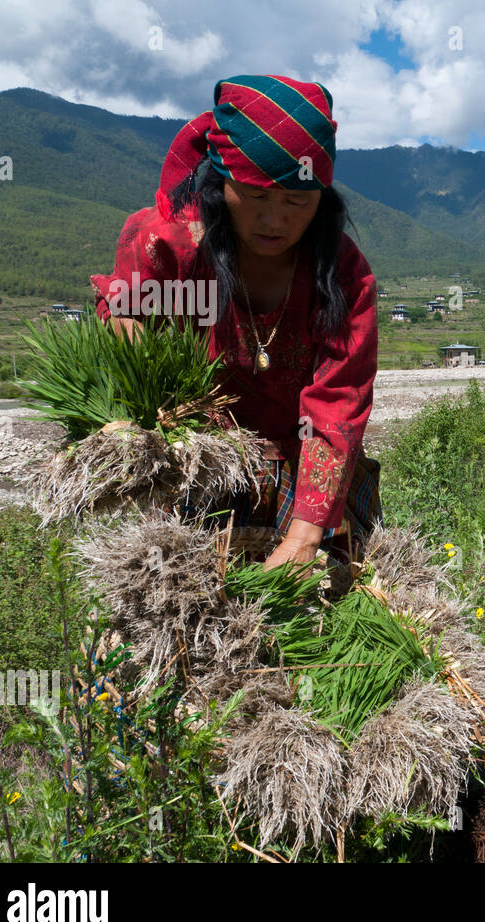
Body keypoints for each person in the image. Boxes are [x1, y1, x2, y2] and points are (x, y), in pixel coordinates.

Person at [90, 74, 380, 568]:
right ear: (219, 183)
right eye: (256, 196)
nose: (275, 220)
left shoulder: (343, 275)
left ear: (322, 200)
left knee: (327, 612)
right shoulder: (169, 246)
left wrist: (304, 540)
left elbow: (337, 404)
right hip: (200, 467)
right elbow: (120, 315)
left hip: (305, 473)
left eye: (296, 201)